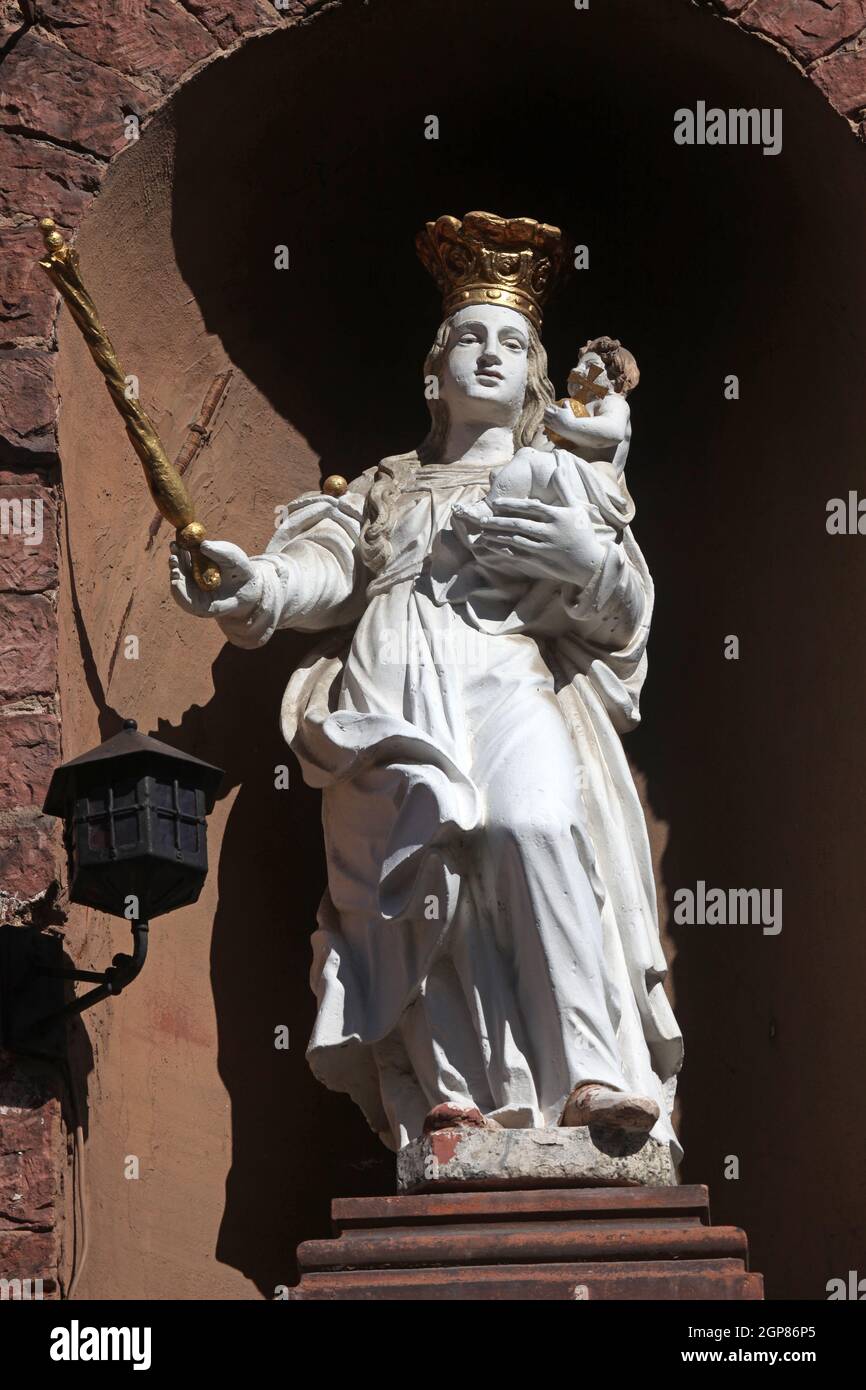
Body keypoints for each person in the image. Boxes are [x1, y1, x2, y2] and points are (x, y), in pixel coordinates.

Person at [169, 212, 683, 1161]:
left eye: (514, 343)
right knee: (424, 856)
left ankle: (589, 1074)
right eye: (468, 339)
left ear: (537, 375)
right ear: (432, 370)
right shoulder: (387, 483)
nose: (490, 355)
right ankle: (454, 1097)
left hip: (504, 670)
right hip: (390, 682)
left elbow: (623, 615)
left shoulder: (557, 474)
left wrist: (586, 561)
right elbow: (326, 565)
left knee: (535, 825)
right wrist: (261, 583)